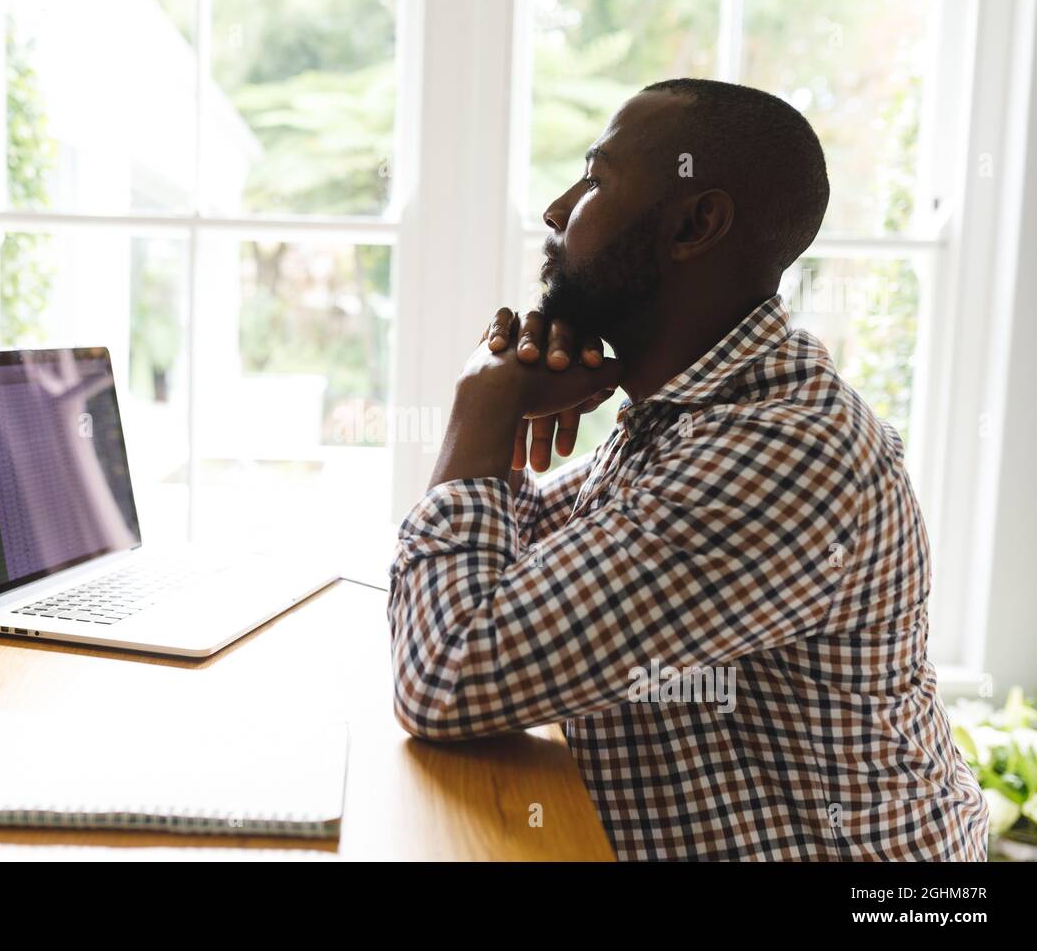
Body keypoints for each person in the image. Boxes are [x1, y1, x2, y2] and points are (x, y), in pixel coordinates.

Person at [387, 78, 988, 860]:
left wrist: (482, 407)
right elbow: (500, 586)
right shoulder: (694, 418)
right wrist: (493, 434)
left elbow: (447, 673)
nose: (557, 209)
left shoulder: (779, 457)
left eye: (597, 179)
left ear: (694, 223)